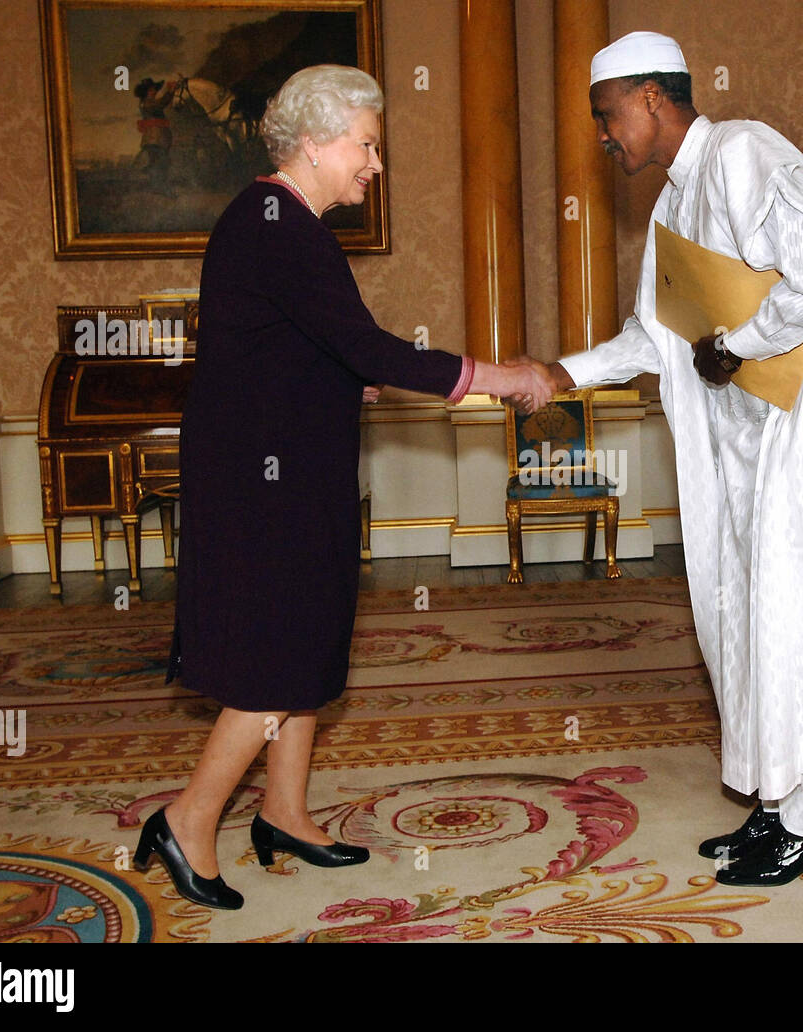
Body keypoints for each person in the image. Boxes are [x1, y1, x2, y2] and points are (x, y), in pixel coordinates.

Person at [547, 32, 803, 886]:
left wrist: (739, 341)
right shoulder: (671, 207)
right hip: (745, 451)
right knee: (751, 622)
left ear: (653, 98)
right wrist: (560, 374)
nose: (603, 133)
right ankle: (779, 805)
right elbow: (655, 337)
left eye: (606, 113)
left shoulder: (742, 151)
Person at [139, 65, 554, 910]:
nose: (374, 164)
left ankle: (285, 813)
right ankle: (188, 817)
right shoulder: (278, 227)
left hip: (288, 464)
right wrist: (504, 377)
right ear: (317, 142)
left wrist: (335, 379)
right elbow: (370, 348)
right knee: (276, 656)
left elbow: (289, 348)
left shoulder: (279, 222)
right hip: (265, 480)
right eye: (365, 145)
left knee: (309, 636)